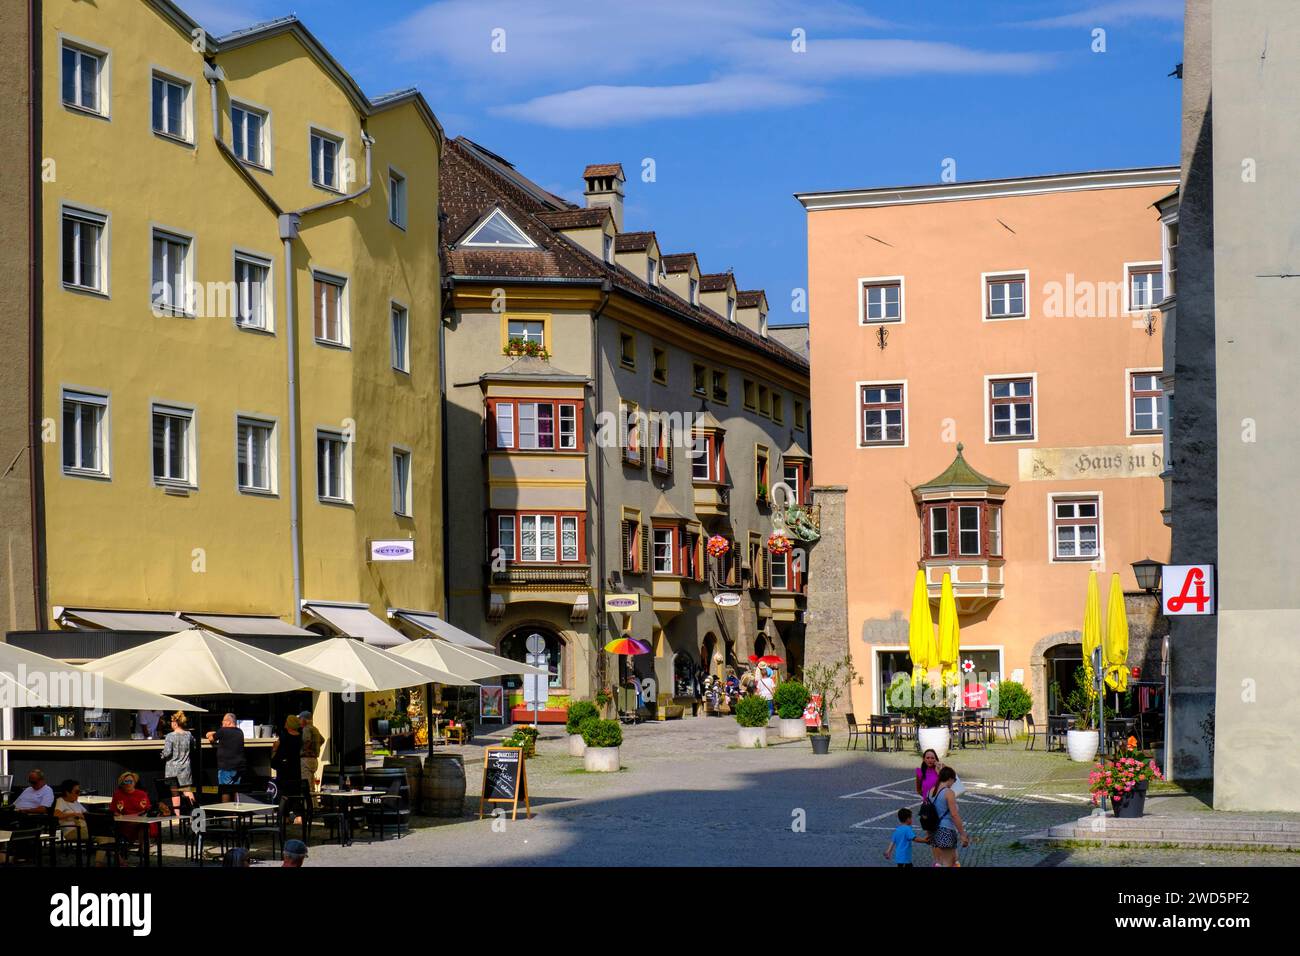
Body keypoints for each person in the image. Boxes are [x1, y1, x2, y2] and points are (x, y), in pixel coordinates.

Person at [112, 772, 159, 864]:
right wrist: (117, 814)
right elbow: (113, 810)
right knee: (142, 826)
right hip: (125, 824)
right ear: (122, 783)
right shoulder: (118, 794)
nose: (128, 783)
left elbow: (148, 809)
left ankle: (143, 852)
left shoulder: (141, 794)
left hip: (141, 821)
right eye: (126, 781)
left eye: (131, 781)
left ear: (134, 782)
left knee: (143, 827)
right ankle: (143, 852)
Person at [927, 766, 971, 867]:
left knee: (950, 859)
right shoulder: (948, 793)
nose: (954, 783)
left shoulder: (931, 791)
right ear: (950, 778)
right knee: (948, 862)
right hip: (946, 829)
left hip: (934, 830)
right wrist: (962, 833)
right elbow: (954, 815)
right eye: (954, 780)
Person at [159, 711, 195, 815]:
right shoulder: (189, 734)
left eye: (171, 721)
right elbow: (194, 746)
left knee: (175, 793)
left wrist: (161, 755)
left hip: (172, 769)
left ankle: (178, 816)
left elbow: (167, 752)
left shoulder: (170, 736)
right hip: (185, 767)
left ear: (175, 723)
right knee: (187, 791)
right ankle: (195, 814)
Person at [206, 713, 246, 802]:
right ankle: (237, 812)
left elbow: (211, 738)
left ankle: (227, 813)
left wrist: (210, 733)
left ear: (228, 722)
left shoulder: (223, 731)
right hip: (239, 767)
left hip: (226, 766)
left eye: (223, 721)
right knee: (236, 790)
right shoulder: (240, 732)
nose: (222, 723)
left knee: (225, 791)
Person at [271, 715, 304, 798]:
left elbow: (279, 756)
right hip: (296, 769)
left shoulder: (284, 737)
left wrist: (274, 749)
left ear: (289, 724)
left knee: (284, 795)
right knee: (295, 793)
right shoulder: (300, 737)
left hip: (285, 772)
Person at [298, 711, 324, 792]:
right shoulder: (315, 729)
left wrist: (304, 750)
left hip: (306, 759)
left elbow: (307, 740)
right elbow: (322, 740)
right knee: (312, 786)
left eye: (300, 719)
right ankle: (314, 804)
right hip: (314, 759)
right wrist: (315, 748)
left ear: (304, 720)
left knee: (306, 786)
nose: (299, 721)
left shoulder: (306, 728)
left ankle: (308, 804)